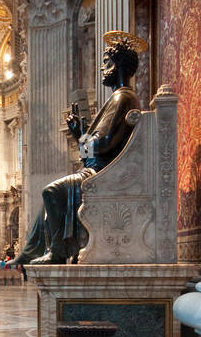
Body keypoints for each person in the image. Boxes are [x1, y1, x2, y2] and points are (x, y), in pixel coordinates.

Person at [14, 30, 148, 266]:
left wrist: (81, 135)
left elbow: (103, 145)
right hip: (99, 169)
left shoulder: (123, 98)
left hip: (105, 173)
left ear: (118, 65)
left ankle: (57, 253)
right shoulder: (118, 98)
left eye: (106, 62)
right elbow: (92, 150)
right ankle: (33, 252)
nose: (102, 68)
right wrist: (82, 136)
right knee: (48, 198)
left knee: (51, 192)